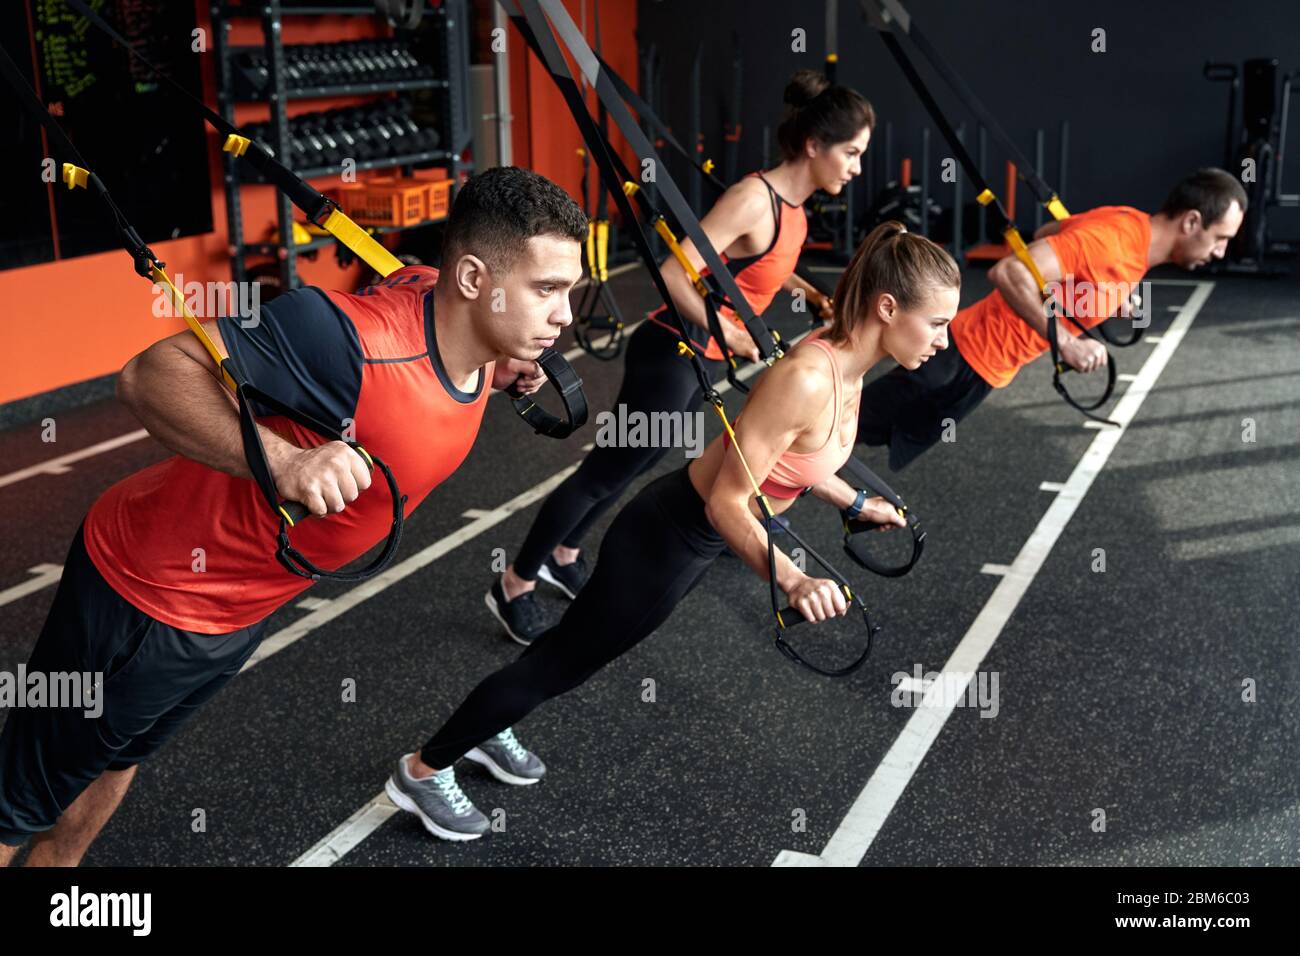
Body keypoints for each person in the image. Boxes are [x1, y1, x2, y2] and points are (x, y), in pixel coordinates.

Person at [0, 166, 587, 866]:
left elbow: (425, 379)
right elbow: (151, 374)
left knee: (118, 754)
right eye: (547, 290)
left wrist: (495, 371)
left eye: (569, 290)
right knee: (17, 804)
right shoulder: (340, 335)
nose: (565, 315)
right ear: (468, 278)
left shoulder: (456, 326)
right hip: (151, 598)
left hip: (240, 608)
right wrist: (286, 463)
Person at [387, 221, 960, 841]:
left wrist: (853, 501)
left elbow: (788, 459)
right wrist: (793, 579)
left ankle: (491, 722)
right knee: (564, 662)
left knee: (568, 652)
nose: (943, 340)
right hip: (669, 538)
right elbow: (728, 501)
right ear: (887, 307)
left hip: (687, 538)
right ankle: (424, 769)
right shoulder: (810, 378)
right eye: (937, 323)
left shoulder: (847, 369)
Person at [486, 69, 877, 644]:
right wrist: (729, 329)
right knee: (606, 472)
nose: (856, 166)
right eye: (851, 152)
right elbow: (674, 271)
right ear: (815, 146)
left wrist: (809, 293)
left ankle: (565, 554)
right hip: (671, 350)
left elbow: (762, 264)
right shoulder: (754, 199)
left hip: (705, 357)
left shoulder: (794, 208)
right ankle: (513, 584)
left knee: (640, 464)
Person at [856, 167, 1248, 470]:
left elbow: (1048, 234)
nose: (1220, 252)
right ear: (1192, 222)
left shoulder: (1132, 229)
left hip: (983, 367)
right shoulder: (1114, 241)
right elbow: (1009, 271)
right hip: (960, 358)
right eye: (1220, 239)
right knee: (843, 427)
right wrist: (1069, 342)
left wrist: (1104, 294)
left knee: (857, 433)